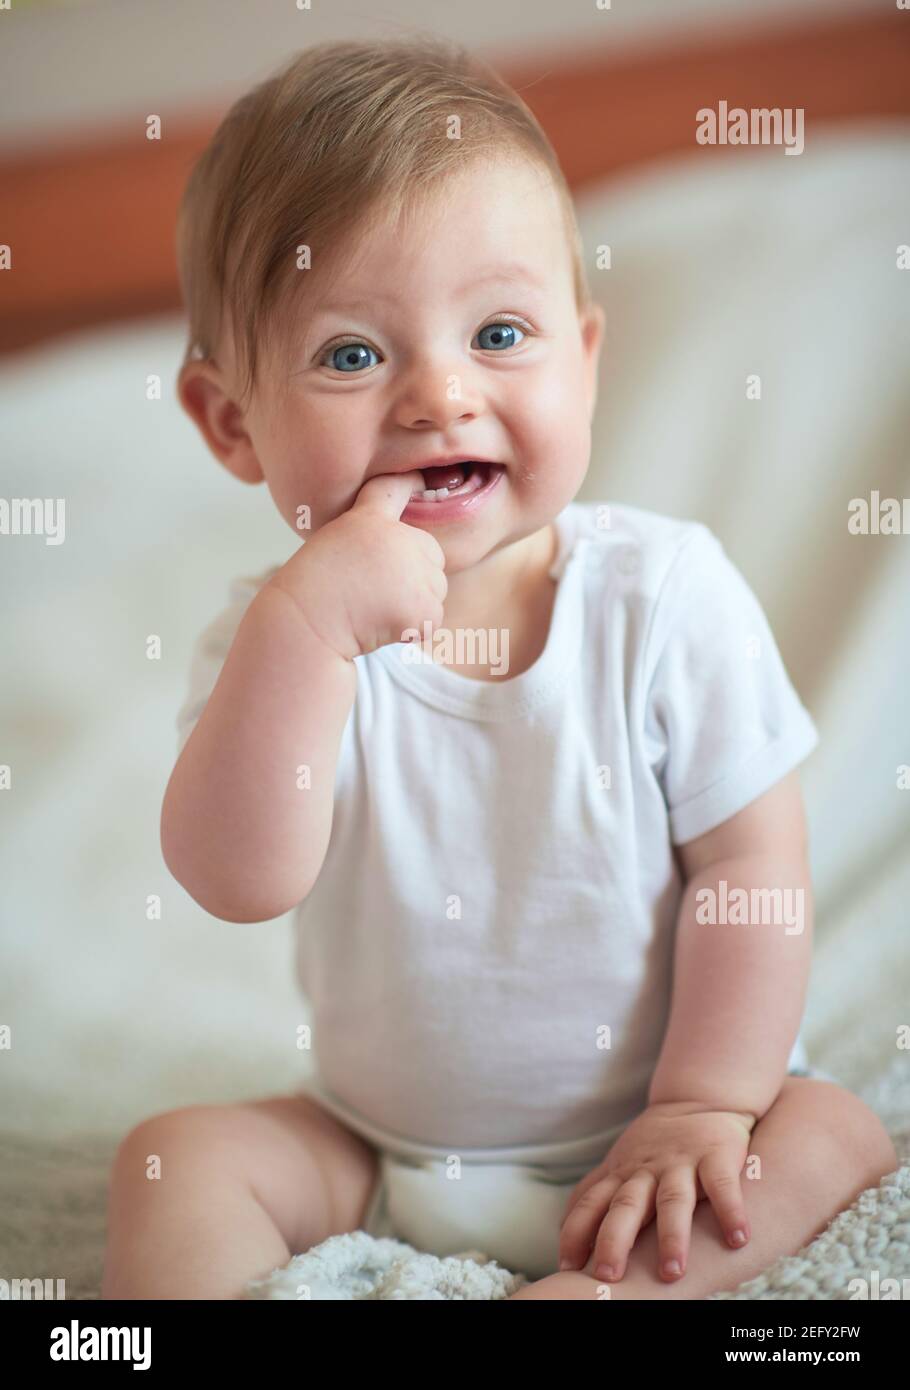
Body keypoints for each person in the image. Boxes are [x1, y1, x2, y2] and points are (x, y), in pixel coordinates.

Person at [101, 36, 896, 1300]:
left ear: (584, 356)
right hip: (379, 1144)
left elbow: (751, 868)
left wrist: (702, 1103)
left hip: (660, 1126)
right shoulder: (274, 644)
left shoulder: (661, 597)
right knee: (174, 1159)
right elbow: (239, 880)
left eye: (501, 331)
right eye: (353, 354)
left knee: (833, 1136)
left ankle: (618, 1283)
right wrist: (307, 635)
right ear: (234, 422)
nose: (440, 394)